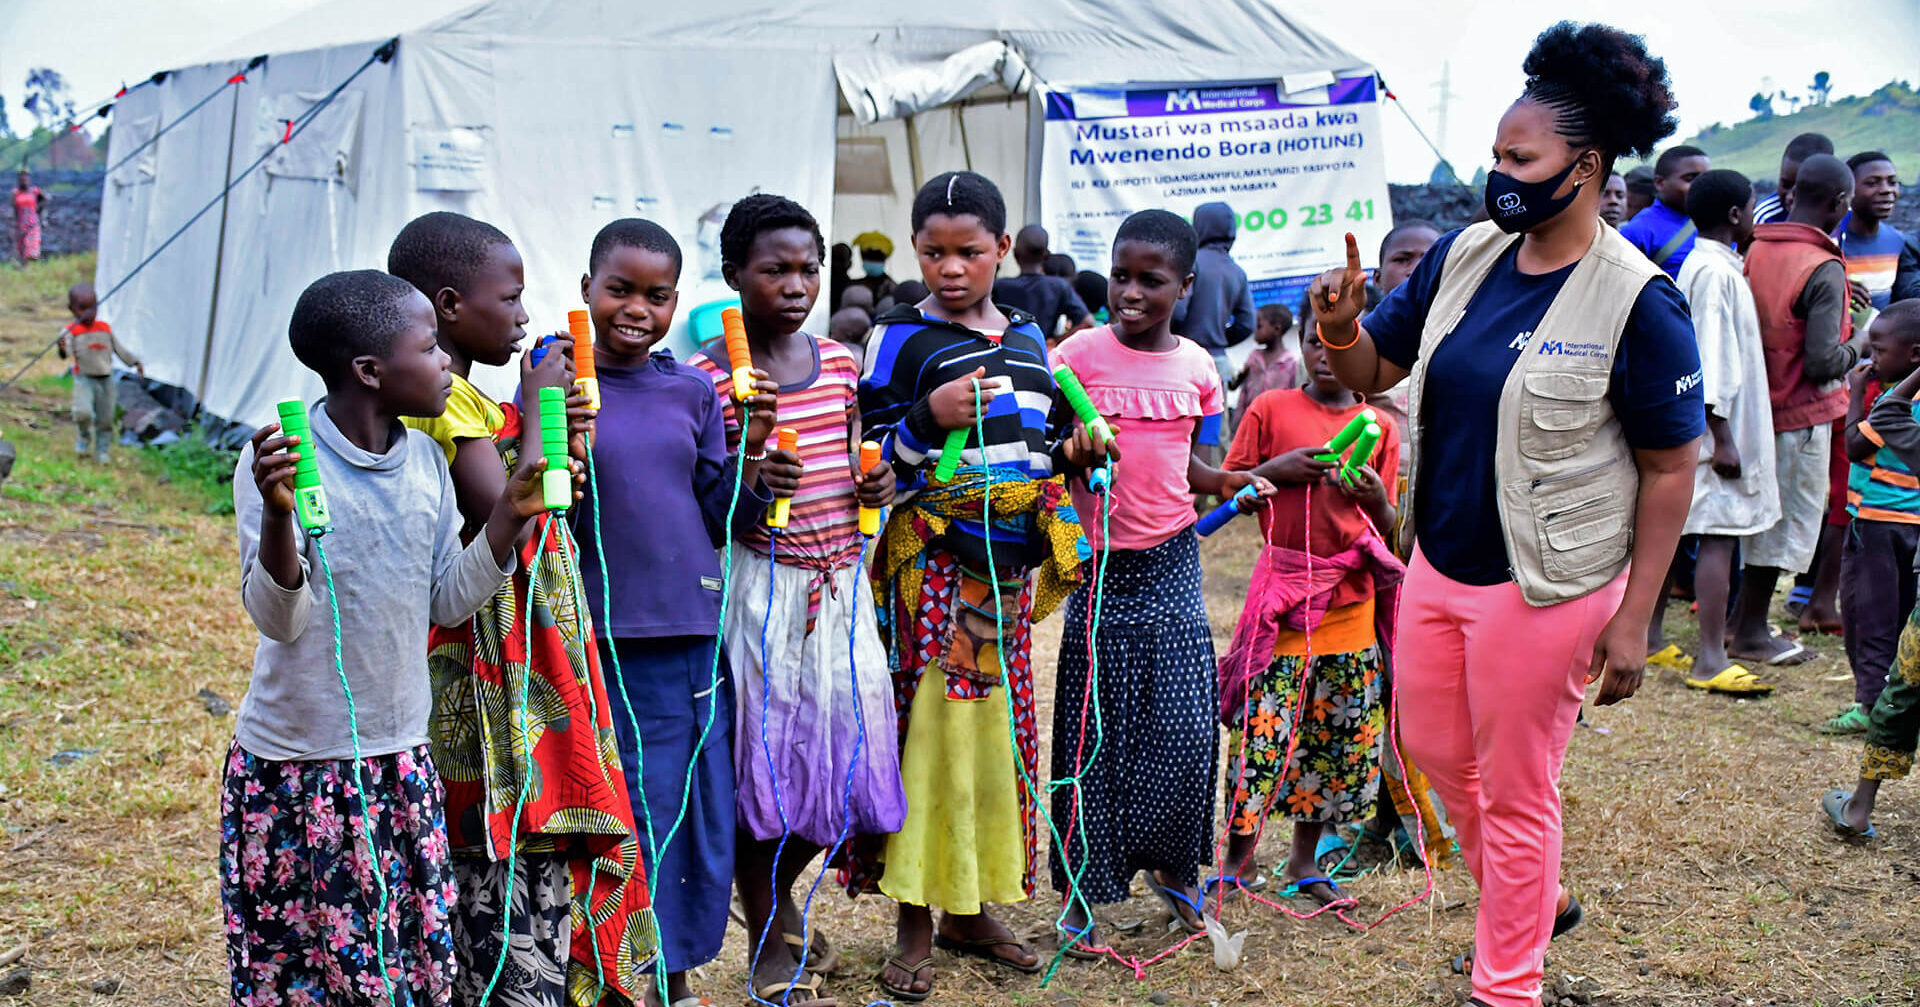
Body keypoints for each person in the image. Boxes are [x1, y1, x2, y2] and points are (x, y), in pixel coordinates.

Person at [1312, 23, 1705, 1007]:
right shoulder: (1465, 255)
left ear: (1586, 166)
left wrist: (1635, 618)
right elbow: (1377, 374)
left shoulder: (1636, 300)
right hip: (1441, 558)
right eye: (1495, 155)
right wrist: (1342, 328)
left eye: (1519, 160)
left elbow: (1671, 466)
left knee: (1519, 788)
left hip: (1551, 583)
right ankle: (1540, 897)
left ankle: (1508, 983)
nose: (1500, 176)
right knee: (1437, 753)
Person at [224, 269, 548, 1007]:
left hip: (401, 761)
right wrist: (279, 517)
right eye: (430, 347)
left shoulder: (427, 464)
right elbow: (280, 618)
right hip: (300, 767)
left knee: (402, 965)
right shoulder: (283, 461)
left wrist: (506, 521)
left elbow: (446, 596)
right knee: (307, 972)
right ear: (370, 371)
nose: (444, 364)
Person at [384, 211, 653, 1007]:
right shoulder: (443, 406)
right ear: (449, 304)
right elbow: (508, 506)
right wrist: (536, 409)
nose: (527, 316)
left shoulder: (472, 401)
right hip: (486, 664)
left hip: (535, 653)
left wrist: (549, 427)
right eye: (512, 297)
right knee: (503, 856)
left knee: (543, 852)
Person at [855, 170, 1105, 1002]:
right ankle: (915, 925)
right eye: (933, 252)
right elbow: (876, 471)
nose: (949, 268)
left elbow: (1045, 442)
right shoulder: (897, 338)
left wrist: (1073, 456)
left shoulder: (1031, 338)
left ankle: (970, 907)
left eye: (969, 252)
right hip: (933, 570)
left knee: (993, 737)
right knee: (931, 732)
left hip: (1003, 576)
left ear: (1004, 248)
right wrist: (928, 418)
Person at [687, 194, 904, 1007]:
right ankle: (772, 926)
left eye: (809, 267)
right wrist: (749, 467)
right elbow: (707, 496)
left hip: (840, 589)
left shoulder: (841, 362)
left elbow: (850, 461)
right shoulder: (706, 378)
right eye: (774, 268)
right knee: (763, 774)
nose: (795, 284)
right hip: (759, 592)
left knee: (839, 768)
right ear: (734, 273)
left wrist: (875, 481)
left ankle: (779, 904)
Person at [1046, 210, 1272, 952]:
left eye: (1152, 279)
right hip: (1101, 567)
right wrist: (1069, 457)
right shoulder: (1075, 357)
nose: (1131, 291)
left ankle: (1174, 867)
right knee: (1092, 730)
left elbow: (1198, 473)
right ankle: (1083, 888)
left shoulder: (1199, 368)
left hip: (1173, 559)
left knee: (1180, 728)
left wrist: (1251, 478)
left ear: (1185, 284)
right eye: (1121, 275)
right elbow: (1047, 452)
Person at [572, 218, 780, 1007]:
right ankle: (600, 970)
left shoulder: (692, 389)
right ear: (586, 290)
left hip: (686, 633)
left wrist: (755, 446)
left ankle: (674, 973)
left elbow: (722, 512)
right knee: (607, 806)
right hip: (593, 632)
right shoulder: (556, 382)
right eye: (619, 289)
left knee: (683, 808)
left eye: (658, 296)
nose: (637, 309)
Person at [1217, 317, 1399, 906]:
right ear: (1301, 342)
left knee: (1335, 739)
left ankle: (1304, 860)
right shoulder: (1271, 407)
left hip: (1349, 608)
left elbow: (1391, 524)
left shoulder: (1380, 425)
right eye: (1317, 340)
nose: (1326, 354)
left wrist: (1372, 496)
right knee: (1262, 738)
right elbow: (1231, 488)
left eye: (1342, 342)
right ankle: (1236, 864)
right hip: (1284, 602)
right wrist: (1278, 471)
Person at [1647, 171, 1781, 694]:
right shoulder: (1715, 273)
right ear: (1734, 215)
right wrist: (1722, 435)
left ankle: (1654, 637)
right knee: (1718, 536)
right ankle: (1710, 658)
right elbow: (1711, 356)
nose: (1753, 217)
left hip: (1705, 424)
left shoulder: (1707, 266)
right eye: (1750, 208)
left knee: (1680, 532)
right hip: (1713, 430)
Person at [1728, 154, 1858, 667]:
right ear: (1839, 203)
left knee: (1753, 520)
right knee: (1784, 525)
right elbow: (1825, 360)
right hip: (1800, 413)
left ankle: (1741, 621)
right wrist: (1862, 345)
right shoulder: (1822, 266)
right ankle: (1752, 633)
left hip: (1752, 406)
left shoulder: (1756, 248)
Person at [1822, 311, 1920, 838]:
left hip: (1881, 521)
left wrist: (1861, 391)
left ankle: (1860, 806)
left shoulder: (1894, 408)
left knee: (1898, 672)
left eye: (1881, 351)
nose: (1872, 358)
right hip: (1900, 524)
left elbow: (1865, 437)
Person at [55, 282, 141, 462]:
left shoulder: (104, 328)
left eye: (93, 307)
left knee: (106, 417)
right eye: (82, 308)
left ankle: (102, 450)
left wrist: (134, 362)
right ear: (72, 309)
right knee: (83, 412)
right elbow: (66, 353)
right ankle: (84, 437)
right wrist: (62, 347)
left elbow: (120, 349)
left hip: (106, 379)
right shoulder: (72, 331)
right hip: (84, 378)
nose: (89, 313)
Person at [1173, 202, 1257, 387]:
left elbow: (1177, 312)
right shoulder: (1236, 271)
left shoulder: (1191, 262)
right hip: (1218, 363)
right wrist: (1218, 340)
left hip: (1183, 361)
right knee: (1216, 416)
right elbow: (1247, 323)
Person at [1619, 144, 1709, 277]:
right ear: (1660, 183)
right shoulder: (1638, 231)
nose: (1702, 186)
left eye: (1706, 178)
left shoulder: (1717, 224)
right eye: (1690, 179)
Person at [994, 225, 1092, 342]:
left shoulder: (999, 287)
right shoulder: (1059, 287)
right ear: (1047, 255)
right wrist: (1056, 341)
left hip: (1006, 351)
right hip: (1042, 354)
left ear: (1015, 254)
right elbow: (1088, 322)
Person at [1841, 152, 1907, 311]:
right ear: (1849, 189)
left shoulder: (1897, 241)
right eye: (1872, 183)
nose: (1886, 190)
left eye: (1892, 182)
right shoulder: (1829, 241)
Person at [1230, 303, 1301, 429]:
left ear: (1277, 329)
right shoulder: (1254, 357)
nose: (1255, 331)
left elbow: (1295, 395)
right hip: (1250, 421)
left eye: (1259, 326)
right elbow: (1240, 390)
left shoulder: (1291, 362)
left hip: (1278, 424)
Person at [1753, 133, 1834, 226]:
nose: (1790, 197)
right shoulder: (1764, 219)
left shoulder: (1840, 212)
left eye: (1801, 189)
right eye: (1785, 185)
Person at [851, 231, 898, 304]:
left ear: (885, 259)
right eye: (869, 257)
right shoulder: (854, 285)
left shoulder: (892, 287)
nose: (873, 261)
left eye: (877, 257)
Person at [11, 170, 45, 265]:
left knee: (32, 247)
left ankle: (33, 267)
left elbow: (46, 199)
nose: (23, 181)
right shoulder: (16, 193)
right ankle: (25, 268)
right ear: (19, 180)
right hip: (21, 223)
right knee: (22, 247)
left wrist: (40, 211)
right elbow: (14, 209)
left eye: (25, 179)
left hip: (33, 223)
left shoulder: (34, 191)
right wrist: (15, 222)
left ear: (29, 180)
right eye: (21, 179)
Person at [829, 241, 854, 312]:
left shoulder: (850, 289)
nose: (836, 264)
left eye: (841, 259)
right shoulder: (821, 286)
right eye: (833, 258)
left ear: (850, 263)